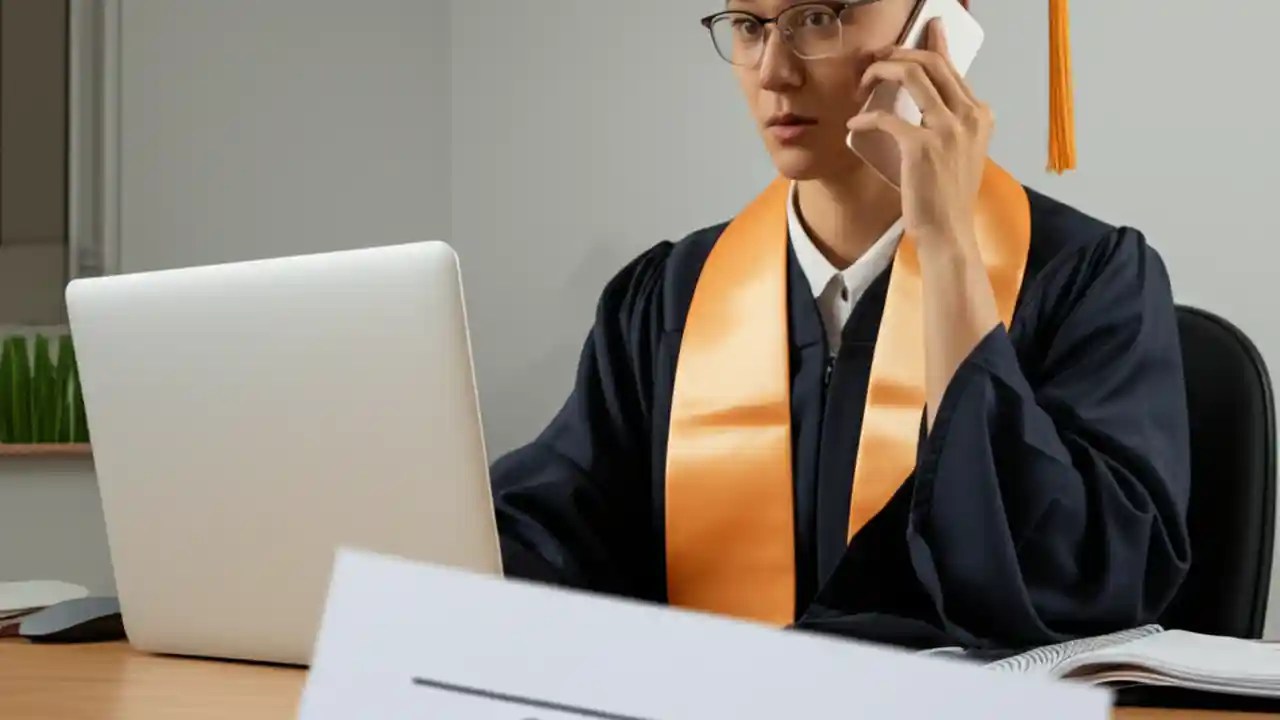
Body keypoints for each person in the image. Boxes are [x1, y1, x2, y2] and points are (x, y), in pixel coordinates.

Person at [489, 0, 1191, 651]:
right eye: (750, 26)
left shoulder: (1084, 281)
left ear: (941, 23)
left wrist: (947, 245)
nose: (775, 73)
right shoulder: (672, 297)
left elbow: (1094, 589)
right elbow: (551, 533)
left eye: (819, 17)